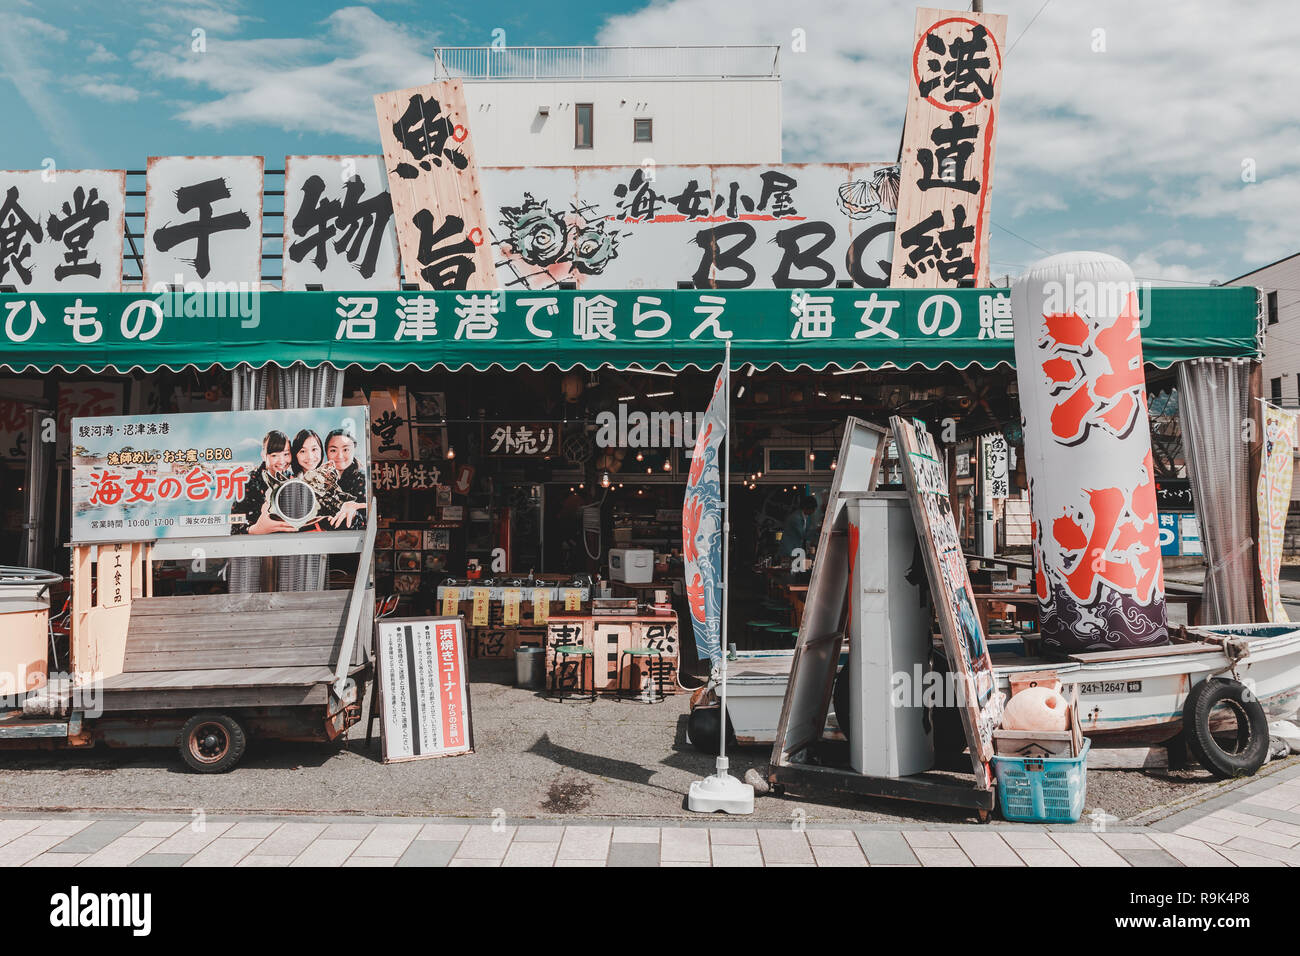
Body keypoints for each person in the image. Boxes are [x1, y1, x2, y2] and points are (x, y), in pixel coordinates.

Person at [231, 430, 296, 535]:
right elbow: (235, 529)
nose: (282, 460)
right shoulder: (248, 481)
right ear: (263, 455)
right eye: (274, 455)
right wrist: (256, 530)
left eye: (286, 454)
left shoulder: (293, 479)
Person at [324, 427, 368, 529]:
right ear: (327, 453)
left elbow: (368, 520)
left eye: (345, 449)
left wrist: (354, 516)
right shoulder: (325, 478)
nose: (339, 456)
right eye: (333, 450)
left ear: (353, 450)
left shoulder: (362, 479)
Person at [779, 495, 819, 561]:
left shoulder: (805, 517)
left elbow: (807, 532)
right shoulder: (796, 518)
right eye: (813, 509)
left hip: (795, 550)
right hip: (789, 551)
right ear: (808, 507)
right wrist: (817, 530)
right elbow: (803, 535)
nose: (814, 511)